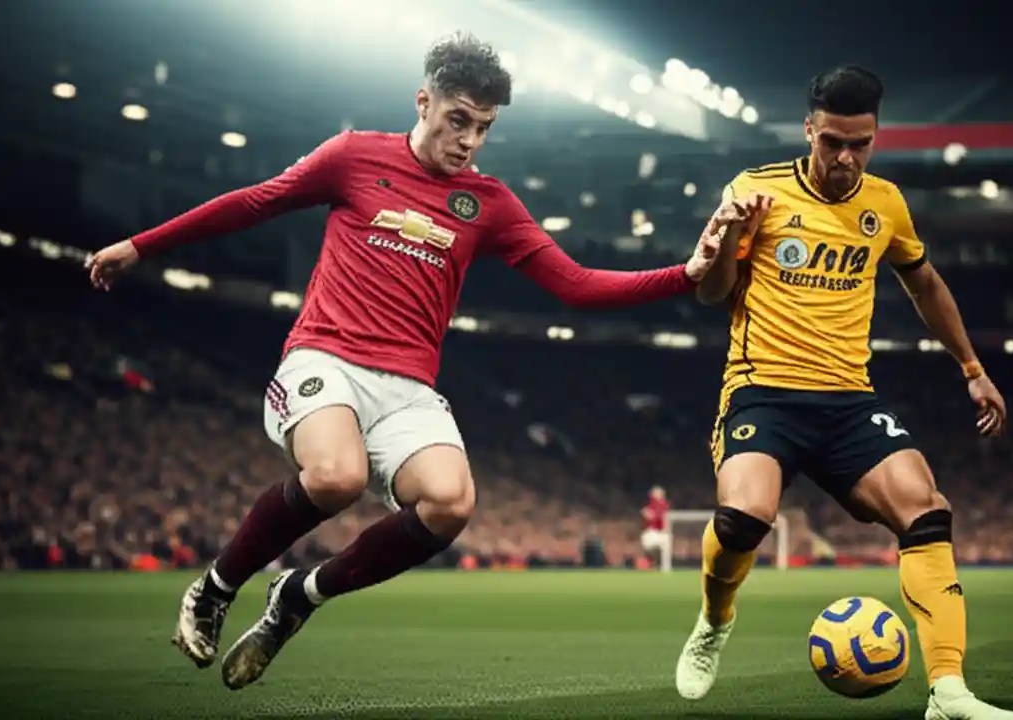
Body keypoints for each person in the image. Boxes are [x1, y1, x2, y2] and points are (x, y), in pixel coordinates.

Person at [85, 31, 722, 691]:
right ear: (424, 102)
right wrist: (142, 245)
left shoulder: (491, 205)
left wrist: (686, 273)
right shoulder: (354, 156)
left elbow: (576, 284)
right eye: (458, 121)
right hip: (325, 357)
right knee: (334, 476)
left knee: (450, 503)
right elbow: (255, 202)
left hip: (408, 388)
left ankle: (298, 598)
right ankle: (215, 589)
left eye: (483, 128)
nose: (469, 140)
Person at [673, 65, 1013, 720]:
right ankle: (714, 622)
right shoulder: (754, 191)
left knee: (926, 511)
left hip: (847, 400)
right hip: (762, 391)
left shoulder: (884, 204)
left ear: (874, 138)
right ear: (809, 130)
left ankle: (948, 692)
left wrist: (973, 368)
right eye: (832, 140)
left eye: (859, 143)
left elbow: (925, 285)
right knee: (744, 518)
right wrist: (729, 236)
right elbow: (713, 292)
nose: (844, 157)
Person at [639, 485, 671, 569]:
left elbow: (661, 517)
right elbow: (646, 516)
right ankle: (652, 561)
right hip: (651, 531)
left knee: (666, 545)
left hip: (661, 532)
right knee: (647, 544)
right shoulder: (650, 505)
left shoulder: (664, 505)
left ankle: (665, 567)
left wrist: (650, 515)